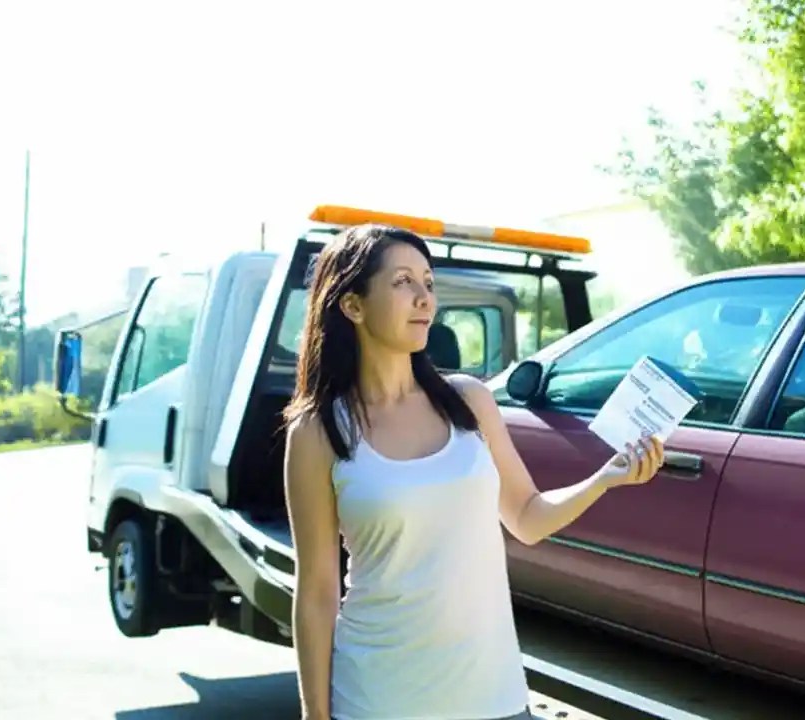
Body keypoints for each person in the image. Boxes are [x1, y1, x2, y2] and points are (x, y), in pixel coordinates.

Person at [282, 223, 665, 720]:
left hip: (494, 699)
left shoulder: (469, 402)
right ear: (352, 305)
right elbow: (315, 591)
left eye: (428, 282)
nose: (424, 298)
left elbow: (527, 517)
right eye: (403, 283)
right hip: (376, 699)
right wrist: (316, 716)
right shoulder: (316, 431)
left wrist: (606, 477)